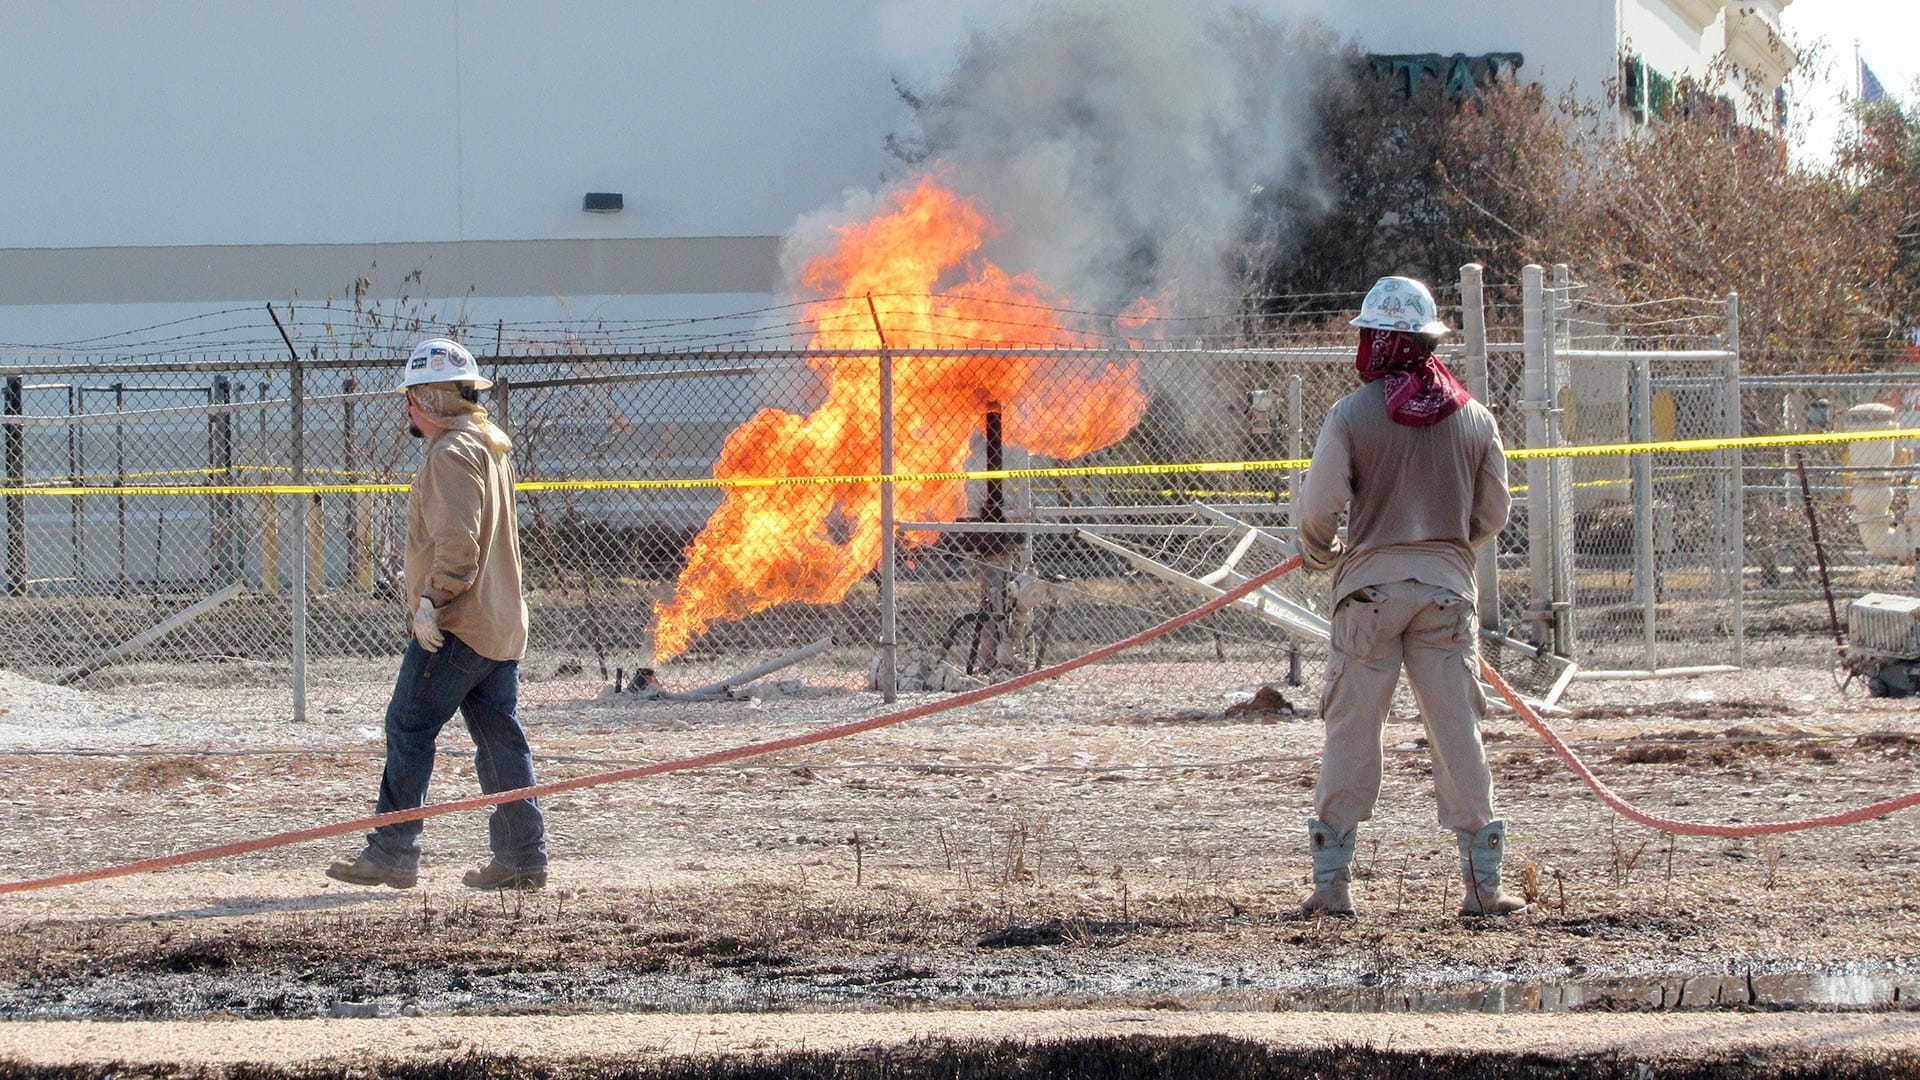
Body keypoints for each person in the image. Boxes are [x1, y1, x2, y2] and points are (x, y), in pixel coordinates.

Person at [1294, 276, 1521, 918]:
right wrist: (1446, 552)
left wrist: (1322, 551)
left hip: (1368, 595)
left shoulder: (1351, 415)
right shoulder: (1474, 417)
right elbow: (1494, 513)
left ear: (1375, 341)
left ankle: (1332, 887)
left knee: (1352, 731)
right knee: (1457, 734)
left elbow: (1318, 508)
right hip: (1447, 596)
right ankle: (1483, 887)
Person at [326, 337, 549, 891]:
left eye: (412, 397)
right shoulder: (488, 445)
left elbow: (458, 547)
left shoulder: (451, 454)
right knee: (500, 741)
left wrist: (432, 603)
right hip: (499, 624)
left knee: (409, 725)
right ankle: (523, 856)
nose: (406, 408)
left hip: (457, 627)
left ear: (431, 398)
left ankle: (393, 851)